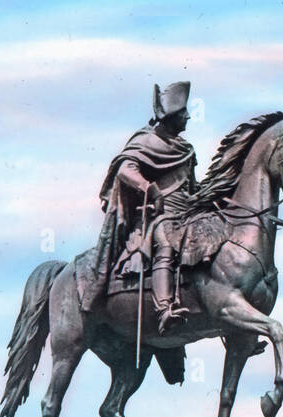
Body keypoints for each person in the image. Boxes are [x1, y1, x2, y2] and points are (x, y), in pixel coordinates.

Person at [79, 81, 198, 331]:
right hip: (159, 218)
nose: (188, 117)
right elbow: (125, 170)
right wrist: (150, 189)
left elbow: (192, 188)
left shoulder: (186, 149)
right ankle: (164, 309)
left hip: (187, 215)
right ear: (171, 117)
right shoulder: (147, 141)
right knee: (166, 241)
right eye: (182, 113)